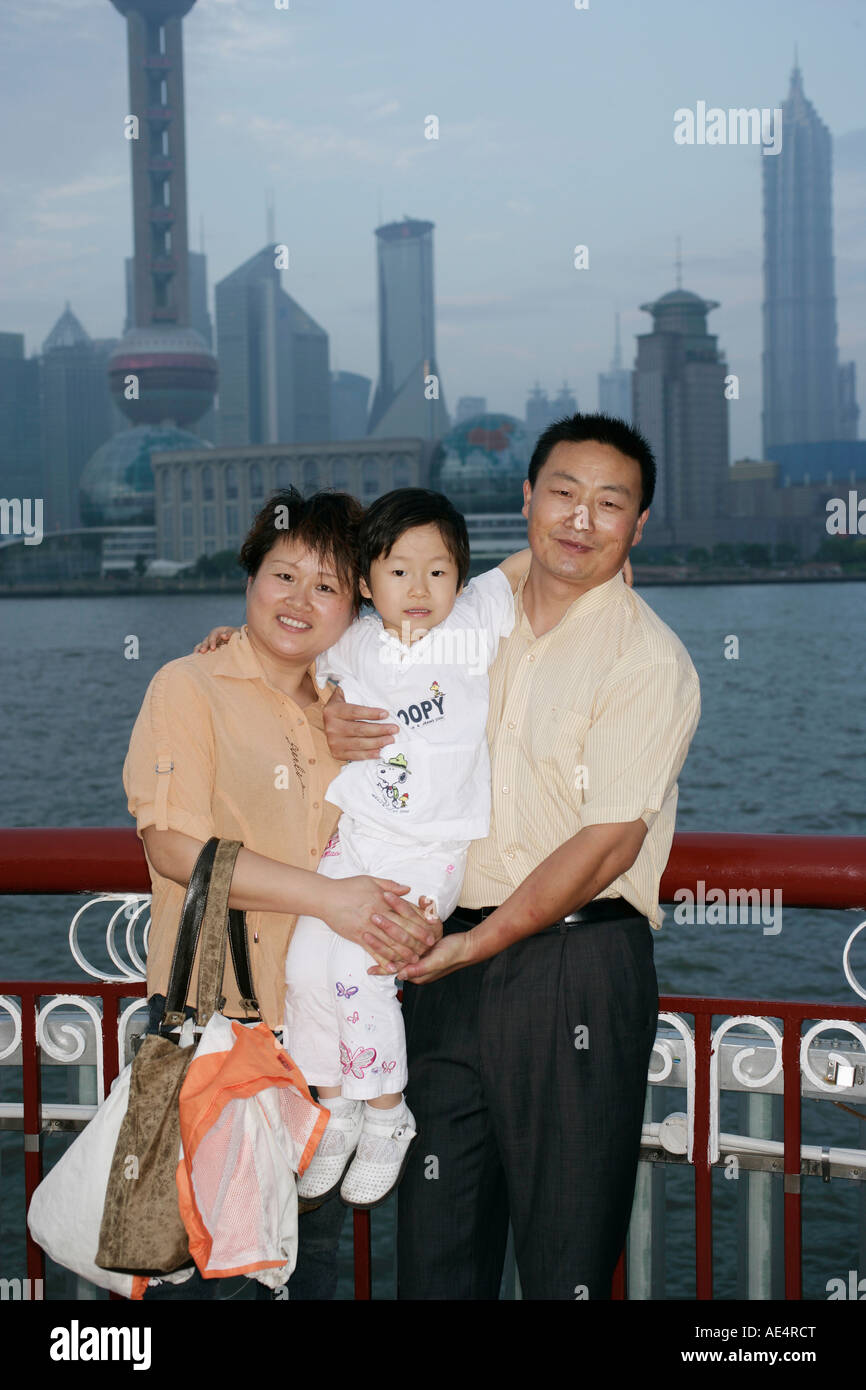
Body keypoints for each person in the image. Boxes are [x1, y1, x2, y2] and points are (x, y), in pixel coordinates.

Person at [323, 413, 701, 1300]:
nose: (582, 517)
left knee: (563, 1256)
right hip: (443, 953)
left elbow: (609, 841)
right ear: (528, 497)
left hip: (574, 963)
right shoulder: (465, 606)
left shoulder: (648, 659)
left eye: (611, 503)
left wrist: (477, 945)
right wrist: (324, 707)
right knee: (436, 1250)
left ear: (638, 525)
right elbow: (345, 645)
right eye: (564, 493)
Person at [122, 488, 438, 1299]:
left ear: (356, 602)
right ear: (249, 577)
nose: (300, 600)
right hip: (220, 1037)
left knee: (304, 1273)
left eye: (327, 585)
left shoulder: (354, 709)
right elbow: (171, 846)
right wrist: (332, 901)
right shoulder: (189, 686)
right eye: (282, 574)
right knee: (207, 1275)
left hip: (322, 1054)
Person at [199, 488, 533, 1211]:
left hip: (428, 852)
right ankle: (336, 1102)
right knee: (306, 962)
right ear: (365, 585)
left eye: (438, 572)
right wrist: (231, 634)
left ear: (460, 577)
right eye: (398, 572)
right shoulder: (352, 642)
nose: (419, 589)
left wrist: (611, 562)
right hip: (354, 842)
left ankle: (387, 1113)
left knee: (360, 963)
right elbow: (283, 649)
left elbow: (535, 562)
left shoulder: (474, 622)